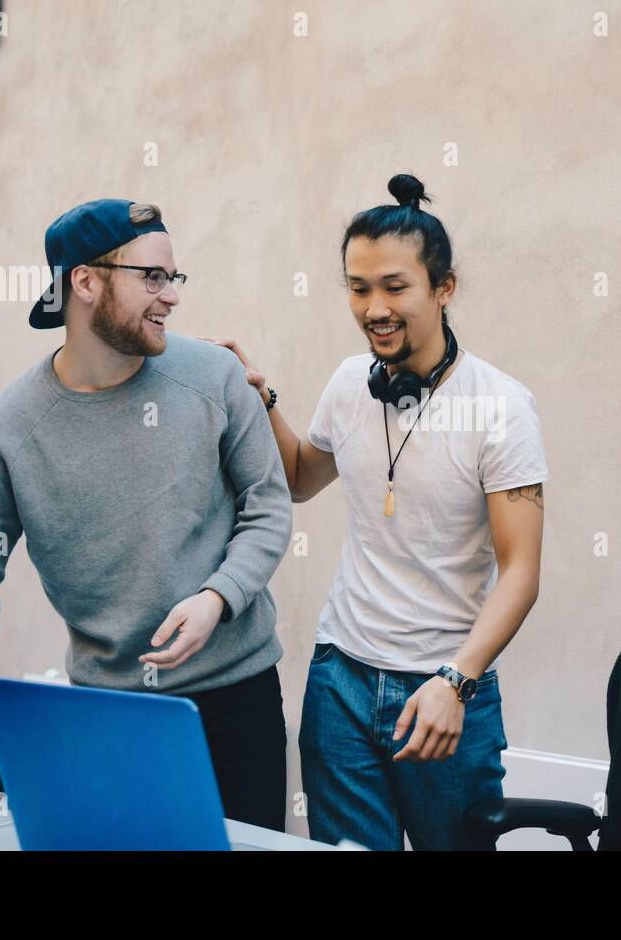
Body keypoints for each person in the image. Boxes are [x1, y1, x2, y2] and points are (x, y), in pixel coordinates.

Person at [0, 199, 293, 829]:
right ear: (85, 281)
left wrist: (218, 596)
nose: (171, 297)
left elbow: (268, 506)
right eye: (152, 278)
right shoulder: (7, 431)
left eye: (173, 278)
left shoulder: (215, 377)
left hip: (238, 701)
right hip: (109, 714)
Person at [205, 174, 547, 850]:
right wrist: (261, 399)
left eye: (394, 286)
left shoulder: (503, 408)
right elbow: (302, 477)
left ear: (443, 288)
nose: (373, 308)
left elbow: (521, 573)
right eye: (358, 288)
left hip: (445, 687)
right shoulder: (347, 383)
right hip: (340, 683)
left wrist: (457, 680)